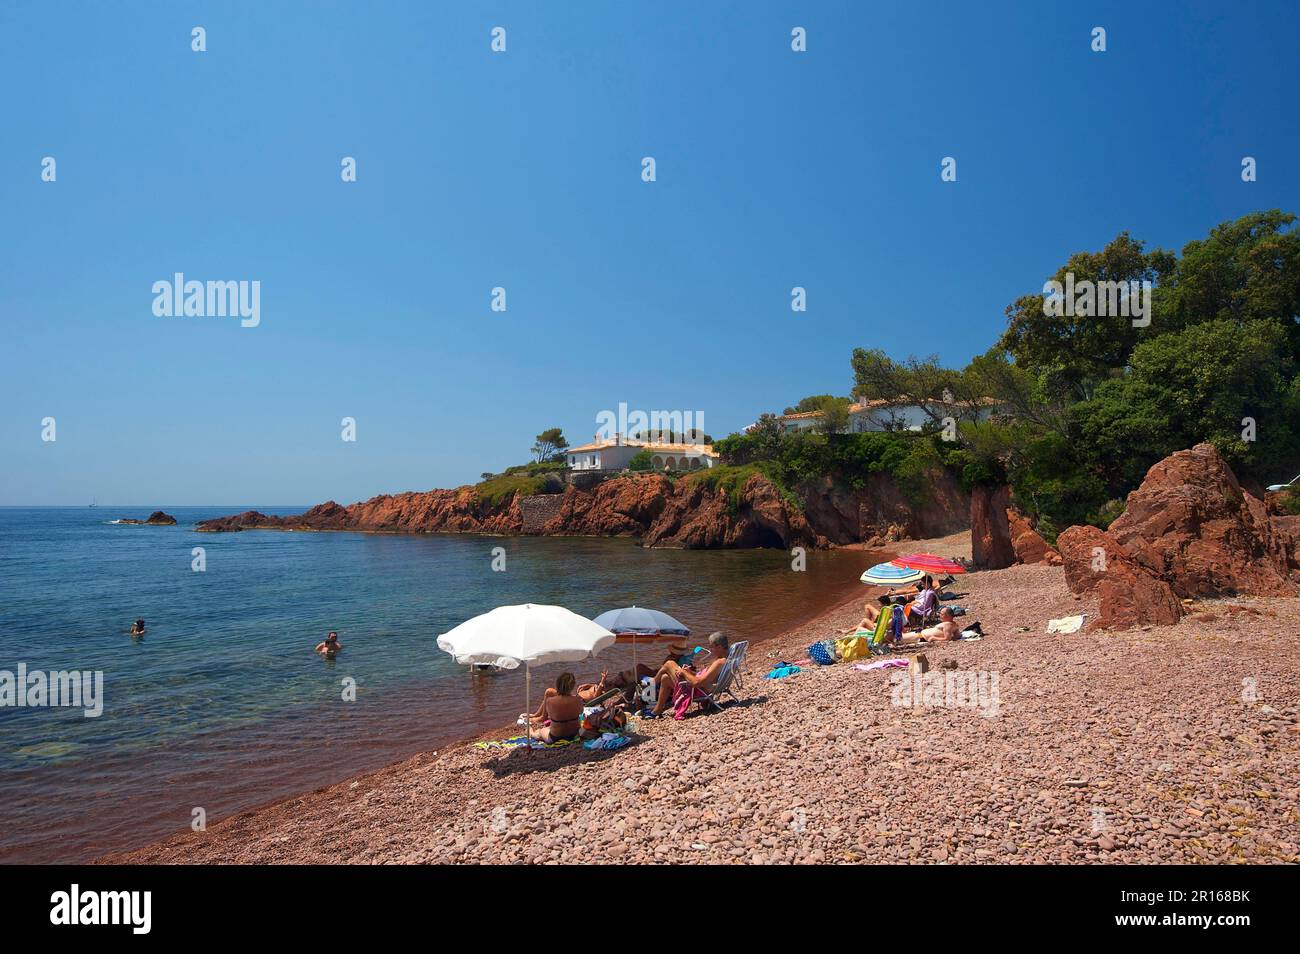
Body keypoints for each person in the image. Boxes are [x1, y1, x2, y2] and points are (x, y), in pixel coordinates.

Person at [650, 632, 730, 718]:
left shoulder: (719, 662)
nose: (710, 649)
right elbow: (704, 678)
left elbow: (697, 683)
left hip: (695, 690)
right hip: (702, 688)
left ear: (720, 647)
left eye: (711, 646)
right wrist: (690, 672)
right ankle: (657, 710)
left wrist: (684, 672)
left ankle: (650, 684)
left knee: (669, 663)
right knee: (665, 678)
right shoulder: (726, 659)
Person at [529, 672, 584, 742]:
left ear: (557, 684)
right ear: (572, 686)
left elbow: (550, 716)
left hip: (556, 737)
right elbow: (581, 711)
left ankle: (531, 733)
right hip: (575, 734)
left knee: (541, 731)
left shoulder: (550, 701)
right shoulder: (578, 700)